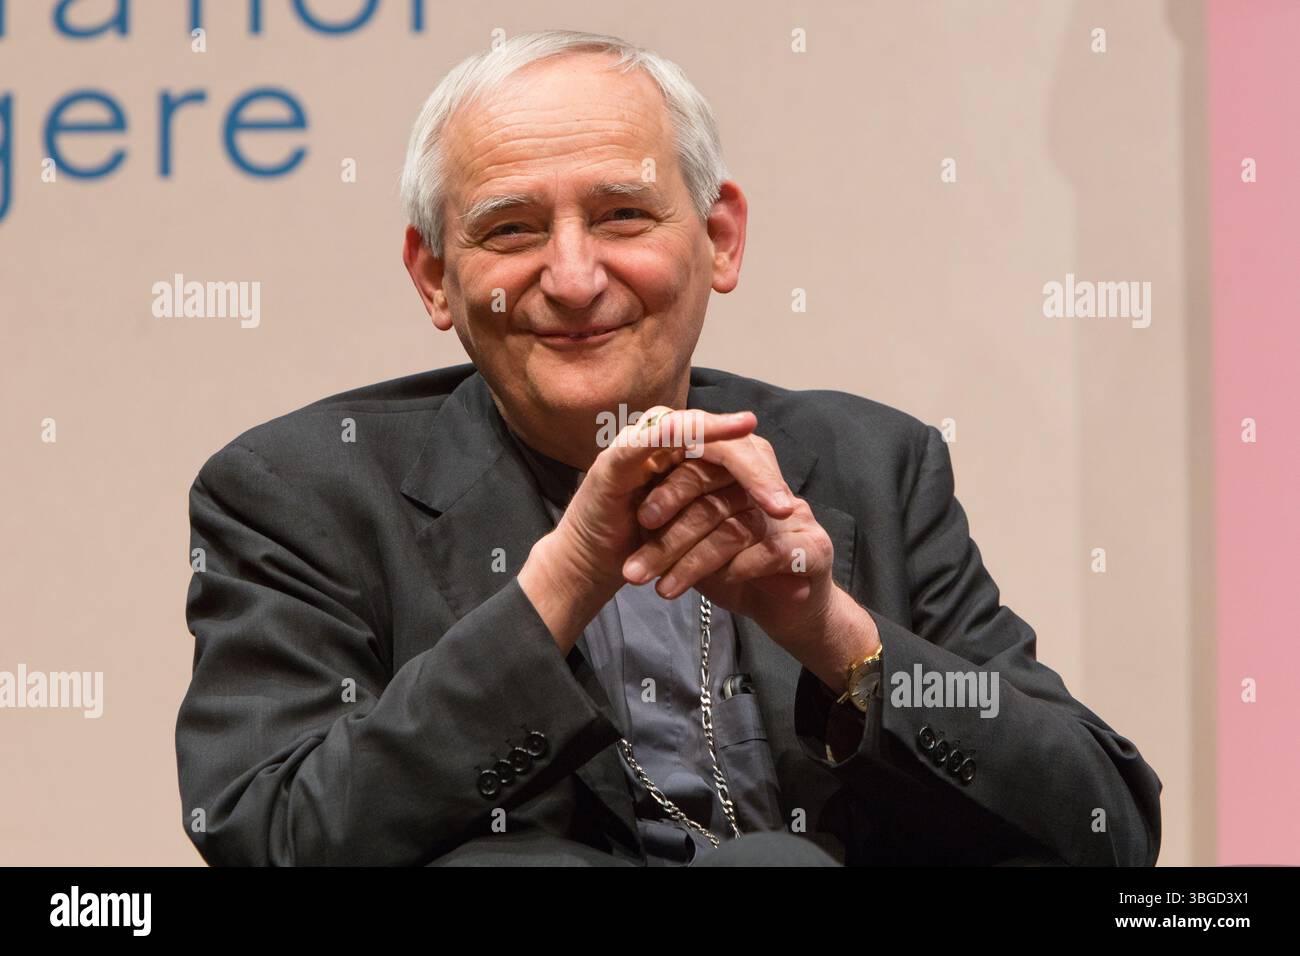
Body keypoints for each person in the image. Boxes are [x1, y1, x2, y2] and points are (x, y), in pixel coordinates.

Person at [175, 29, 1161, 866]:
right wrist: (554, 589)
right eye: (511, 229)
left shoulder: (869, 463)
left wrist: (836, 636)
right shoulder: (300, 489)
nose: (570, 275)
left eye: (621, 216)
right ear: (435, 276)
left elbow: (1102, 819)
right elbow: (269, 829)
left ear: (719, 238)